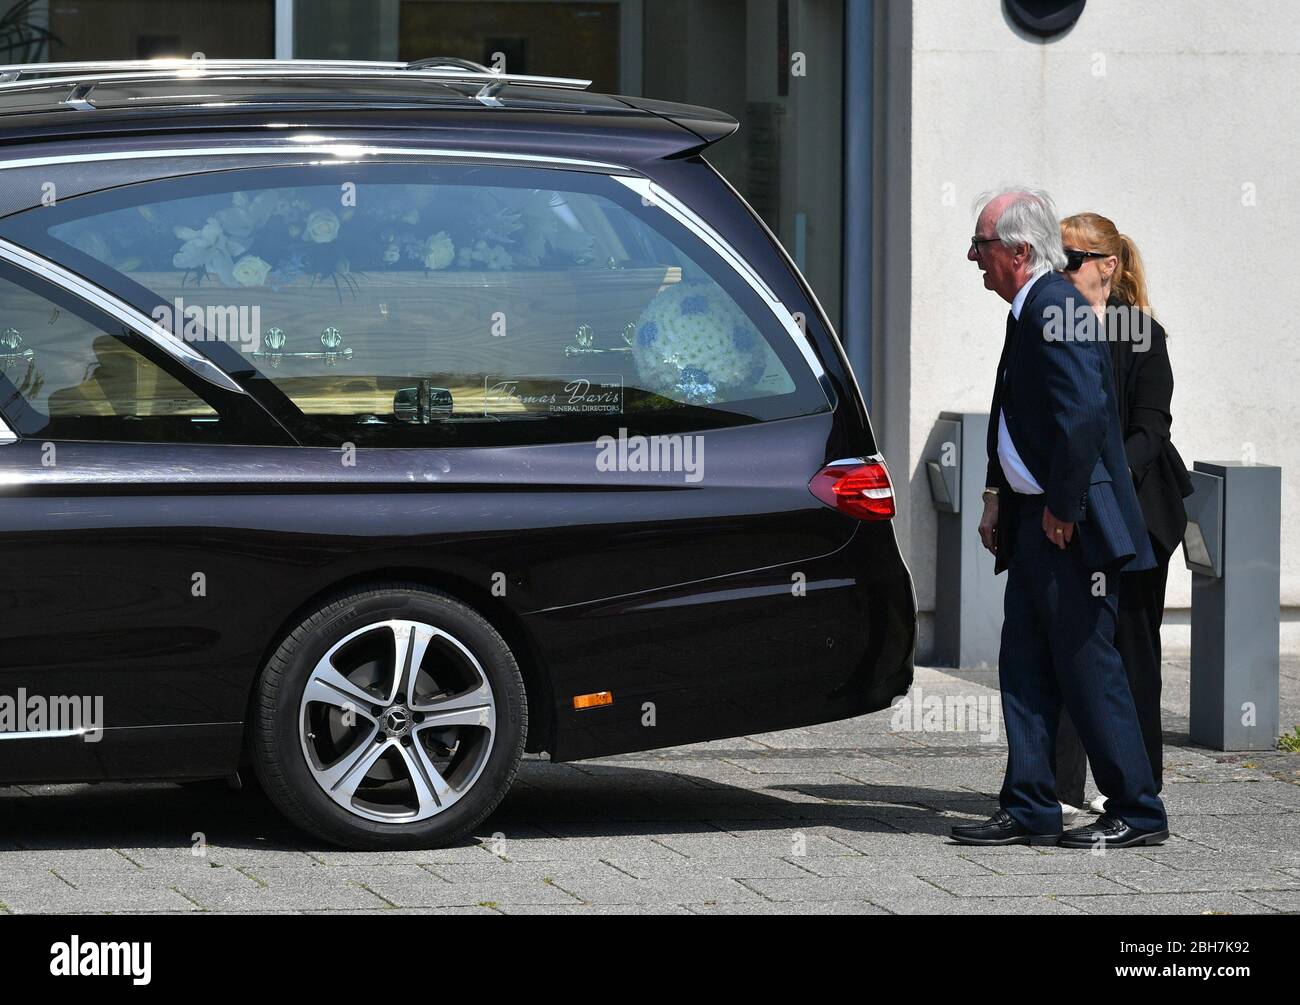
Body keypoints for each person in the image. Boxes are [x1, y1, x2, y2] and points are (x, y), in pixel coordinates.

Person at [950, 188, 1169, 849]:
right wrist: (1002, 499)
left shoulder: (1054, 307)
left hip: (1064, 530)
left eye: (982, 246)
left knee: (1085, 665)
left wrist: (1062, 508)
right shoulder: (1031, 307)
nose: (972, 257)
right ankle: (1029, 805)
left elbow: (1084, 414)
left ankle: (1137, 808)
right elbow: (1022, 417)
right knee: (1025, 663)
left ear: (1017, 252)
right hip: (1034, 524)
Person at [1053, 213, 1194, 816]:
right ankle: (1059, 789)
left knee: (1133, 650)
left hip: (1138, 512)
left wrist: (1096, 477)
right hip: (1072, 506)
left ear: (1108, 265)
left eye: (1072, 256)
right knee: (1069, 645)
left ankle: (1138, 790)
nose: (1059, 267)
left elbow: (1151, 430)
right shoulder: (1051, 324)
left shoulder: (1142, 334)